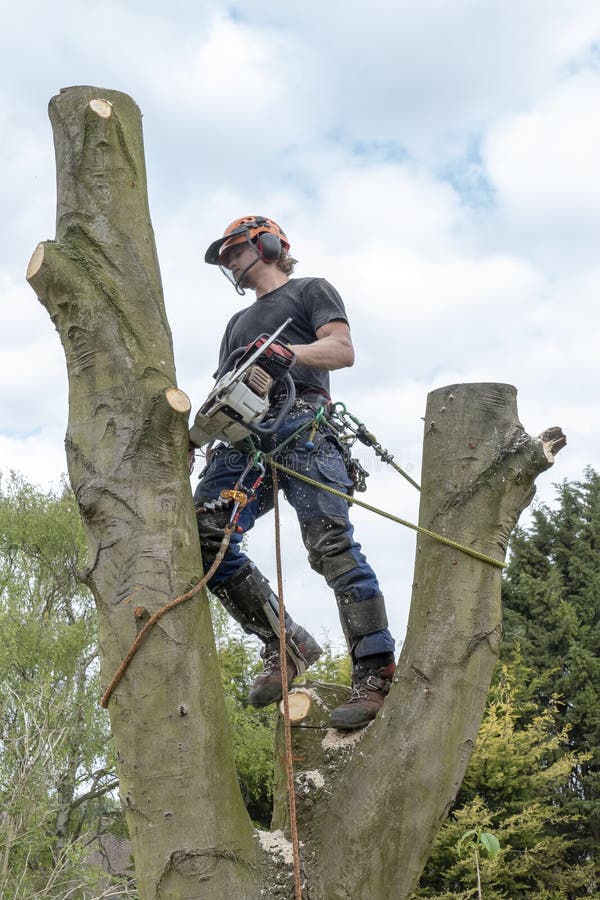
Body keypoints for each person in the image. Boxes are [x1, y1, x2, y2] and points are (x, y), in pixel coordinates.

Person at [192, 215, 396, 729]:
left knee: (331, 546)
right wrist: (201, 433)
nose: (229, 261)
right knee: (202, 533)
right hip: (245, 438)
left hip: (304, 422)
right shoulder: (236, 326)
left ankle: (374, 672)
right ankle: (286, 643)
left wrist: (288, 353)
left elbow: (342, 350)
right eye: (225, 257)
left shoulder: (310, 291)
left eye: (235, 249)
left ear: (267, 243)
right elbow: (226, 389)